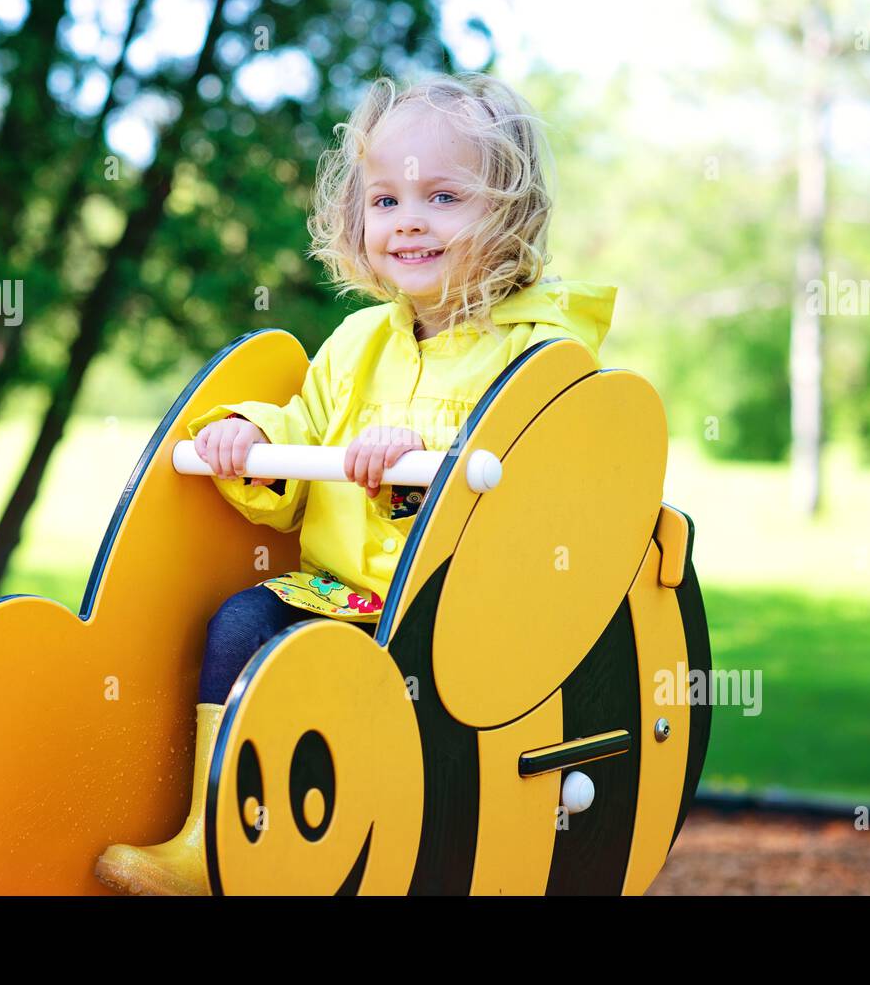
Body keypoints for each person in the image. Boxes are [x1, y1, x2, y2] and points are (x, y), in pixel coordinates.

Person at [94, 71, 617, 895]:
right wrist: (252, 436)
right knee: (241, 624)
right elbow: (305, 429)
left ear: (509, 212)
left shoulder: (539, 355)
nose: (409, 221)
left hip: (458, 620)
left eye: (445, 197)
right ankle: (211, 838)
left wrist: (418, 470)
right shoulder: (355, 342)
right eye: (385, 202)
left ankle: (377, 852)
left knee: (378, 699)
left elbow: (536, 490)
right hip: (344, 594)